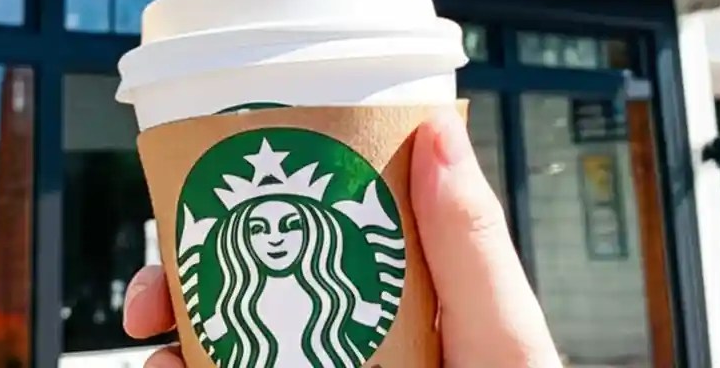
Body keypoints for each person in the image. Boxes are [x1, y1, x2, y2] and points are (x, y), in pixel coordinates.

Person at [121, 108, 564, 367]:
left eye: (291, 225)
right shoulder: (227, 316)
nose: (275, 239)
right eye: (258, 228)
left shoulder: (352, 306)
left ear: (316, 232)